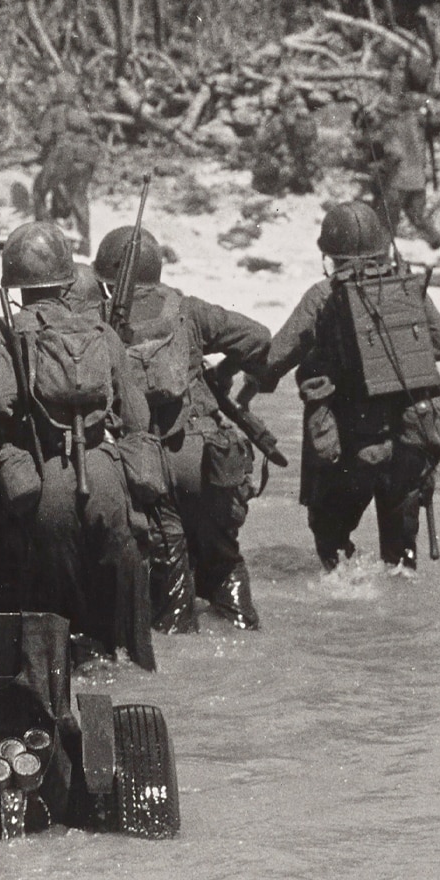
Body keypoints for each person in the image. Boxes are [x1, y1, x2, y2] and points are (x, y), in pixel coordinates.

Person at [0, 222, 159, 669]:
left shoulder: (1, 333)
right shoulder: (101, 333)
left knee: (56, 634)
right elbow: (137, 417)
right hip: (107, 480)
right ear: (69, 281)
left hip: (45, 482)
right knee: (127, 635)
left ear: (14, 287)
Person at [251, 202, 440, 571]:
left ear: (330, 255)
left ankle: (349, 604)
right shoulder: (406, 289)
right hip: (410, 442)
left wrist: (250, 385)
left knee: (331, 546)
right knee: (401, 563)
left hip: (352, 446)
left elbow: (274, 360)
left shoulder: (323, 296)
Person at [94, 225, 273, 631]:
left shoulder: (100, 320)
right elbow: (259, 339)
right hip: (203, 457)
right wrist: (223, 374)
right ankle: (244, 636)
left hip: (144, 466)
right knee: (224, 560)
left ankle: (178, 659)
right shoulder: (186, 309)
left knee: (169, 573)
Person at [358, 57, 440, 260]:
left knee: (385, 223)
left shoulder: (390, 126)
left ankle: (380, 260)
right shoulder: (418, 120)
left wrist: (379, 169)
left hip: (396, 182)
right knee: (418, 218)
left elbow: (394, 154)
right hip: (417, 181)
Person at [30, 90, 103, 249]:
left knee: (39, 189)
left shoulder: (54, 112)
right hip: (87, 157)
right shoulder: (81, 114)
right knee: (79, 197)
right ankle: (85, 242)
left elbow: (44, 137)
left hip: (65, 156)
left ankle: (44, 234)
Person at [247, 86, 320, 197]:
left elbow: (311, 149)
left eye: (293, 106)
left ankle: (293, 183)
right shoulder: (272, 123)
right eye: (288, 106)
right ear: (281, 107)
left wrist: (309, 166)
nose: (291, 110)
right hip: (277, 164)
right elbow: (260, 149)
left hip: (295, 163)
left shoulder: (305, 123)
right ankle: (275, 187)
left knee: (309, 171)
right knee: (278, 169)